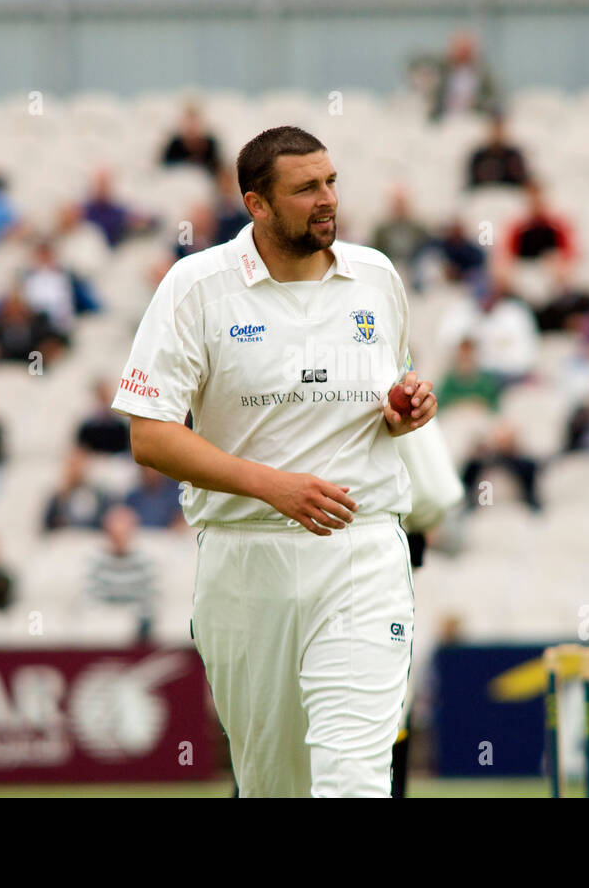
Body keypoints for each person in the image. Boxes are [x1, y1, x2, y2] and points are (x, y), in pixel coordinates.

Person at [111, 126, 436, 798]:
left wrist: (404, 407)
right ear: (257, 204)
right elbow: (151, 436)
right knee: (274, 788)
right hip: (245, 559)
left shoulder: (375, 275)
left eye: (331, 182)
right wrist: (272, 487)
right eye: (306, 188)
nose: (328, 200)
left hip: (362, 550)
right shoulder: (195, 286)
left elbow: (393, 380)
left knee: (354, 780)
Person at [86, 505, 157, 644]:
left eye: (124, 531)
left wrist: (134, 618)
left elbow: (151, 599)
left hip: (136, 626)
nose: (119, 535)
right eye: (115, 531)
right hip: (103, 623)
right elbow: (90, 599)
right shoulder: (96, 562)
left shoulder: (144, 561)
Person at [466, 113, 529, 189]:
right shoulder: (479, 156)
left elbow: (523, 181)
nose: (497, 134)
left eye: (500, 130)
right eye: (494, 130)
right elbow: (471, 184)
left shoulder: (513, 156)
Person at [161, 102, 222, 177]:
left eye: (195, 122)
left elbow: (218, 169)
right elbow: (165, 169)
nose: (191, 126)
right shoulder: (174, 145)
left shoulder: (210, 144)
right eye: (188, 122)